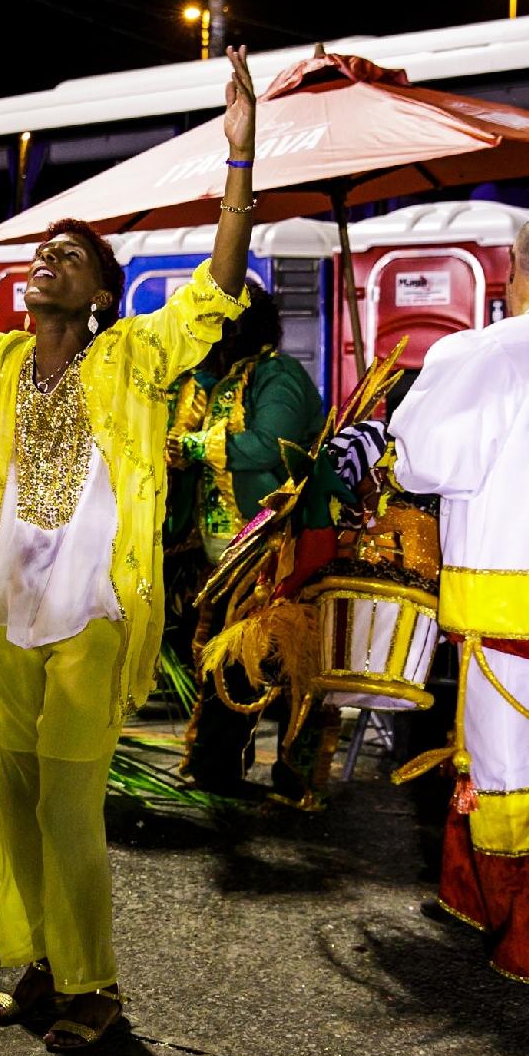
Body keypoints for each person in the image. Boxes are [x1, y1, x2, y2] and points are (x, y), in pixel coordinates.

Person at [0, 47, 258, 1049]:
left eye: (71, 254)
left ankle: (96, 989)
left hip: (88, 620)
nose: (47, 257)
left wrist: (238, 165)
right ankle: (38, 967)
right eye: (44, 249)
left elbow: (216, 287)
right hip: (13, 618)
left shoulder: (129, 358)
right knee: (19, 807)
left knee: (72, 818)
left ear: (97, 295)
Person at [353, 213, 529, 983]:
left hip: (513, 603)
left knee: (514, 769)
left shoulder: (489, 351)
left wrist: (390, 445)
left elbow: (428, 460)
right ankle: (475, 897)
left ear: (514, 265)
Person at [168, 284, 325, 797]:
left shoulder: (278, 375)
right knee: (223, 661)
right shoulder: (206, 382)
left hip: (276, 549)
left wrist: (191, 444)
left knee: (280, 663)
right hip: (220, 554)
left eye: (215, 323)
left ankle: (293, 775)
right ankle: (216, 769)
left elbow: (270, 446)